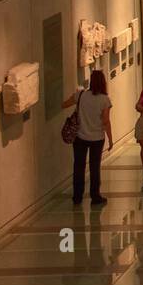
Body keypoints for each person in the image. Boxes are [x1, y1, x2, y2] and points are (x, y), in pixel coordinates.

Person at [62, 69, 112, 205]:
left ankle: (77, 196)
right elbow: (106, 121)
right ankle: (95, 196)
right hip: (97, 138)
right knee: (95, 167)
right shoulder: (105, 100)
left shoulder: (81, 95)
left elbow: (64, 104)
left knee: (78, 166)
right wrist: (111, 139)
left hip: (80, 137)